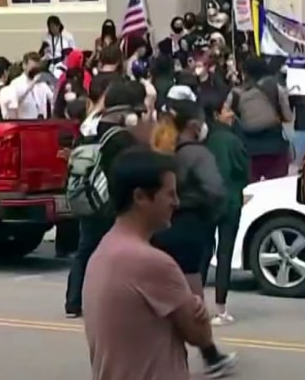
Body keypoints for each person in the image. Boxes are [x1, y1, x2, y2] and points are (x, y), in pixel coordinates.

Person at [82, 146, 233, 380]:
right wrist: (198, 309)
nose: (176, 202)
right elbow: (198, 334)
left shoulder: (103, 251)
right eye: (169, 194)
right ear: (140, 197)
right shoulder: (152, 263)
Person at [153, 100, 236, 373]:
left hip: (161, 227)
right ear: (193, 125)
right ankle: (210, 356)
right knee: (192, 299)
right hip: (188, 229)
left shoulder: (162, 150)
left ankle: (176, 354)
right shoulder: (197, 154)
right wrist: (209, 216)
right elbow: (216, 190)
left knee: (164, 295)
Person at [64, 78, 143, 318]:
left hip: (90, 196)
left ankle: (73, 302)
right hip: (111, 201)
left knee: (85, 250)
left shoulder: (90, 127)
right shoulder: (122, 136)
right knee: (118, 255)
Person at [200, 97, 249, 326]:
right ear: (217, 114)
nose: (231, 114)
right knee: (225, 254)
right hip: (230, 201)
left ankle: (197, 301)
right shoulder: (233, 140)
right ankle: (221, 307)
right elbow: (244, 170)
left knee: (203, 251)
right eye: (227, 110)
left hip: (207, 201)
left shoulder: (204, 140)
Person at [228, 57, 292, 183]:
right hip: (276, 148)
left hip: (249, 151)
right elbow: (288, 116)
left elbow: (228, 119)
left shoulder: (236, 93)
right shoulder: (275, 88)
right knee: (277, 188)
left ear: (245, 73)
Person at [0, 52, 55, 120]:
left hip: (41, 122)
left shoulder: (42, 83)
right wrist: (32, 84)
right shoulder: (16, 83)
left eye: (37, 68)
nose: (35, 71)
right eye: (32, 68)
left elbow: (53, 99)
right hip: (24, 122)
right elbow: (14, 102)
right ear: (24, 66)